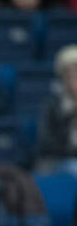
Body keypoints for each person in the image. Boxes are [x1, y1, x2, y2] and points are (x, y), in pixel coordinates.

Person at [36, 45, 77, 174]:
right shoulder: (52, 106)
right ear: (63, 77)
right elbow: (46, 143)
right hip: (57, 161)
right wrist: (69, 114)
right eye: (72, 74)